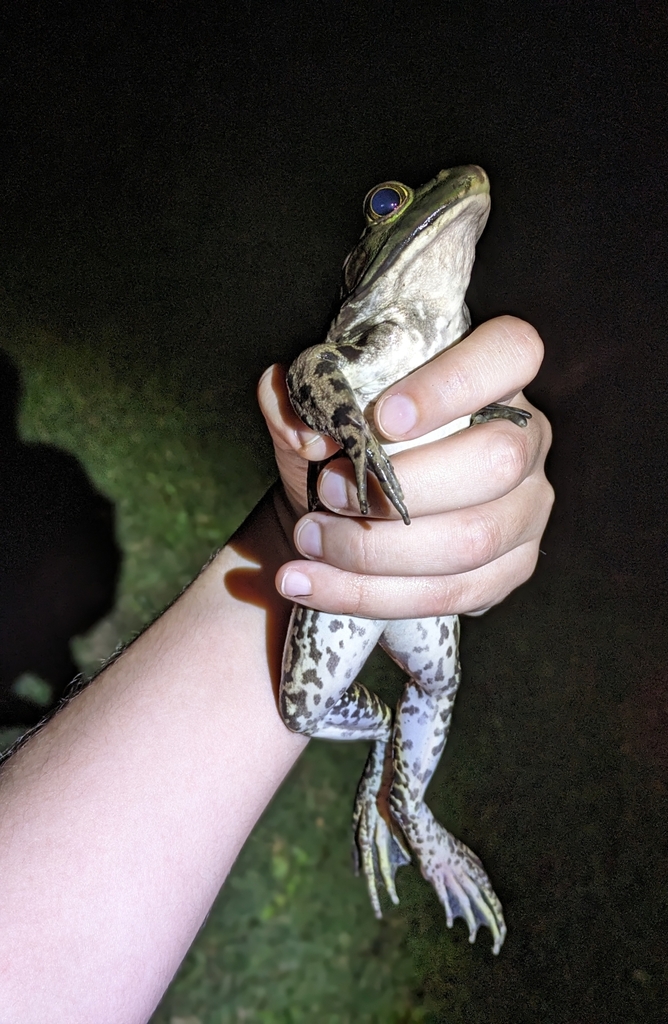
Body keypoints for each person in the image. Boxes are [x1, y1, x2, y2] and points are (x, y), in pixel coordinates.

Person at [0, 317, 553, 1023]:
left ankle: (406, 804)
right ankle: (399, 789)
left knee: (436, 681)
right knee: (312, 704)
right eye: (386, 198)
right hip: (341, 563)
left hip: (341, 548)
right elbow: (309, 371)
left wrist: (498, 430)